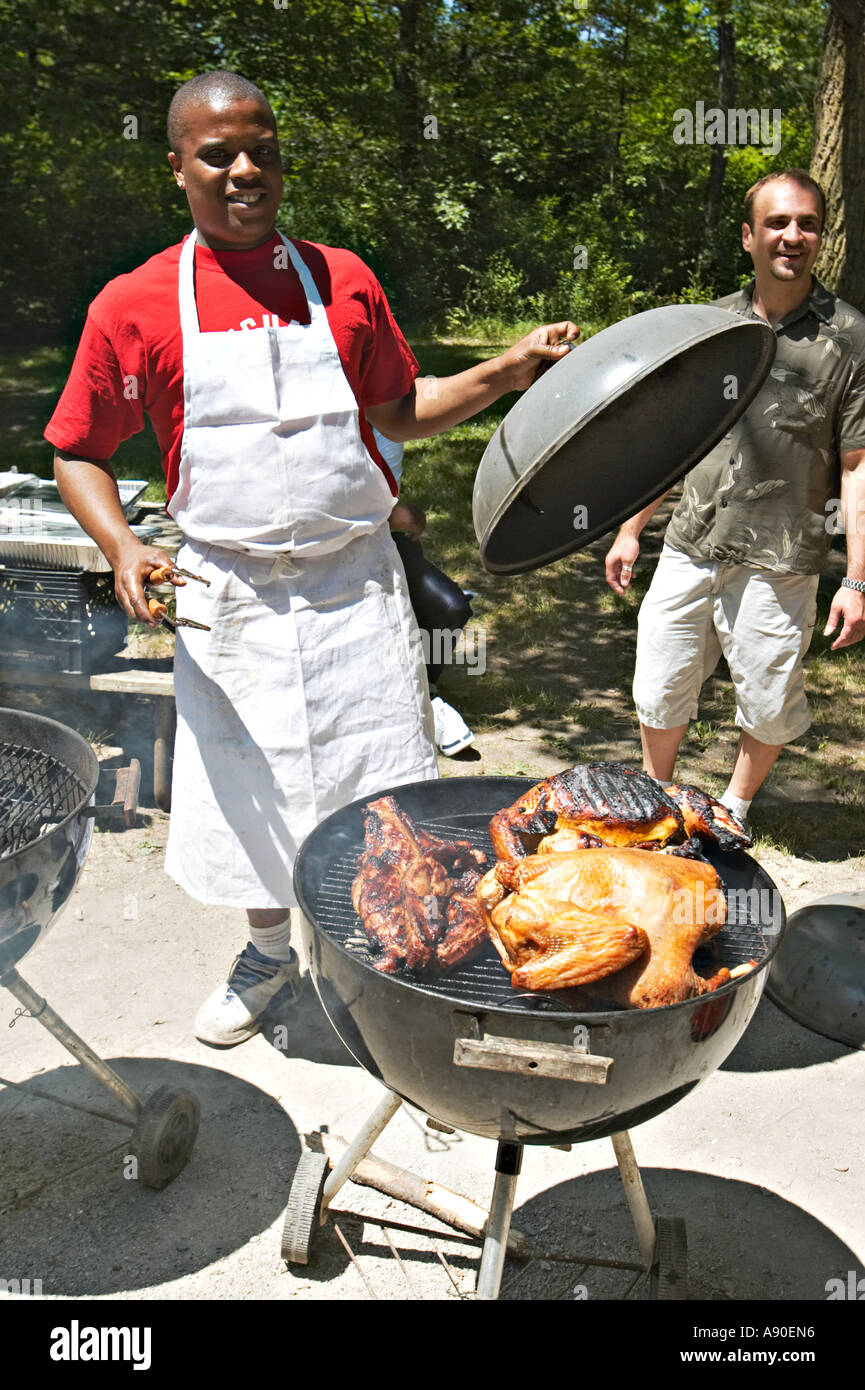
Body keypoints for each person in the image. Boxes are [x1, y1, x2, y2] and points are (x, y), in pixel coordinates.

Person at [46, 71, 578, 1046]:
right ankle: (266, 954)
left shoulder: (342, 278)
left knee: (378, 783)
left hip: (352, 584)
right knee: (246, 787)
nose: (245, 169)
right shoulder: (134, 307)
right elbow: (77, 445)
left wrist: (510, 368)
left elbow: (400, 410)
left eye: (262, 148)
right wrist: (119, 544)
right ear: (178, 168)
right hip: (230, 591)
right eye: (218, 153)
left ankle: (381, 960)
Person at [605, 169, 865, 828]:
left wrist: (857, 582)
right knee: (658, 685)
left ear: (819, 236)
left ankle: (732, 810)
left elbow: (858, 466)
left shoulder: (850, 338)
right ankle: (655, 804)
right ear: (748, 236)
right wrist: (631, 527)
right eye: (776, 222)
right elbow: (674, 440)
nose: (791, 236)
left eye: (805, 223)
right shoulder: (708, 325)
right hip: (689, 542)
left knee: (769, 697)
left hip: (781, 557)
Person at [374, 427, 476, 756]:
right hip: (332, 549)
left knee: (451, 607)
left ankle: (426, 692)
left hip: (385, 541)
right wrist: (394, 514)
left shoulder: (387, 410)